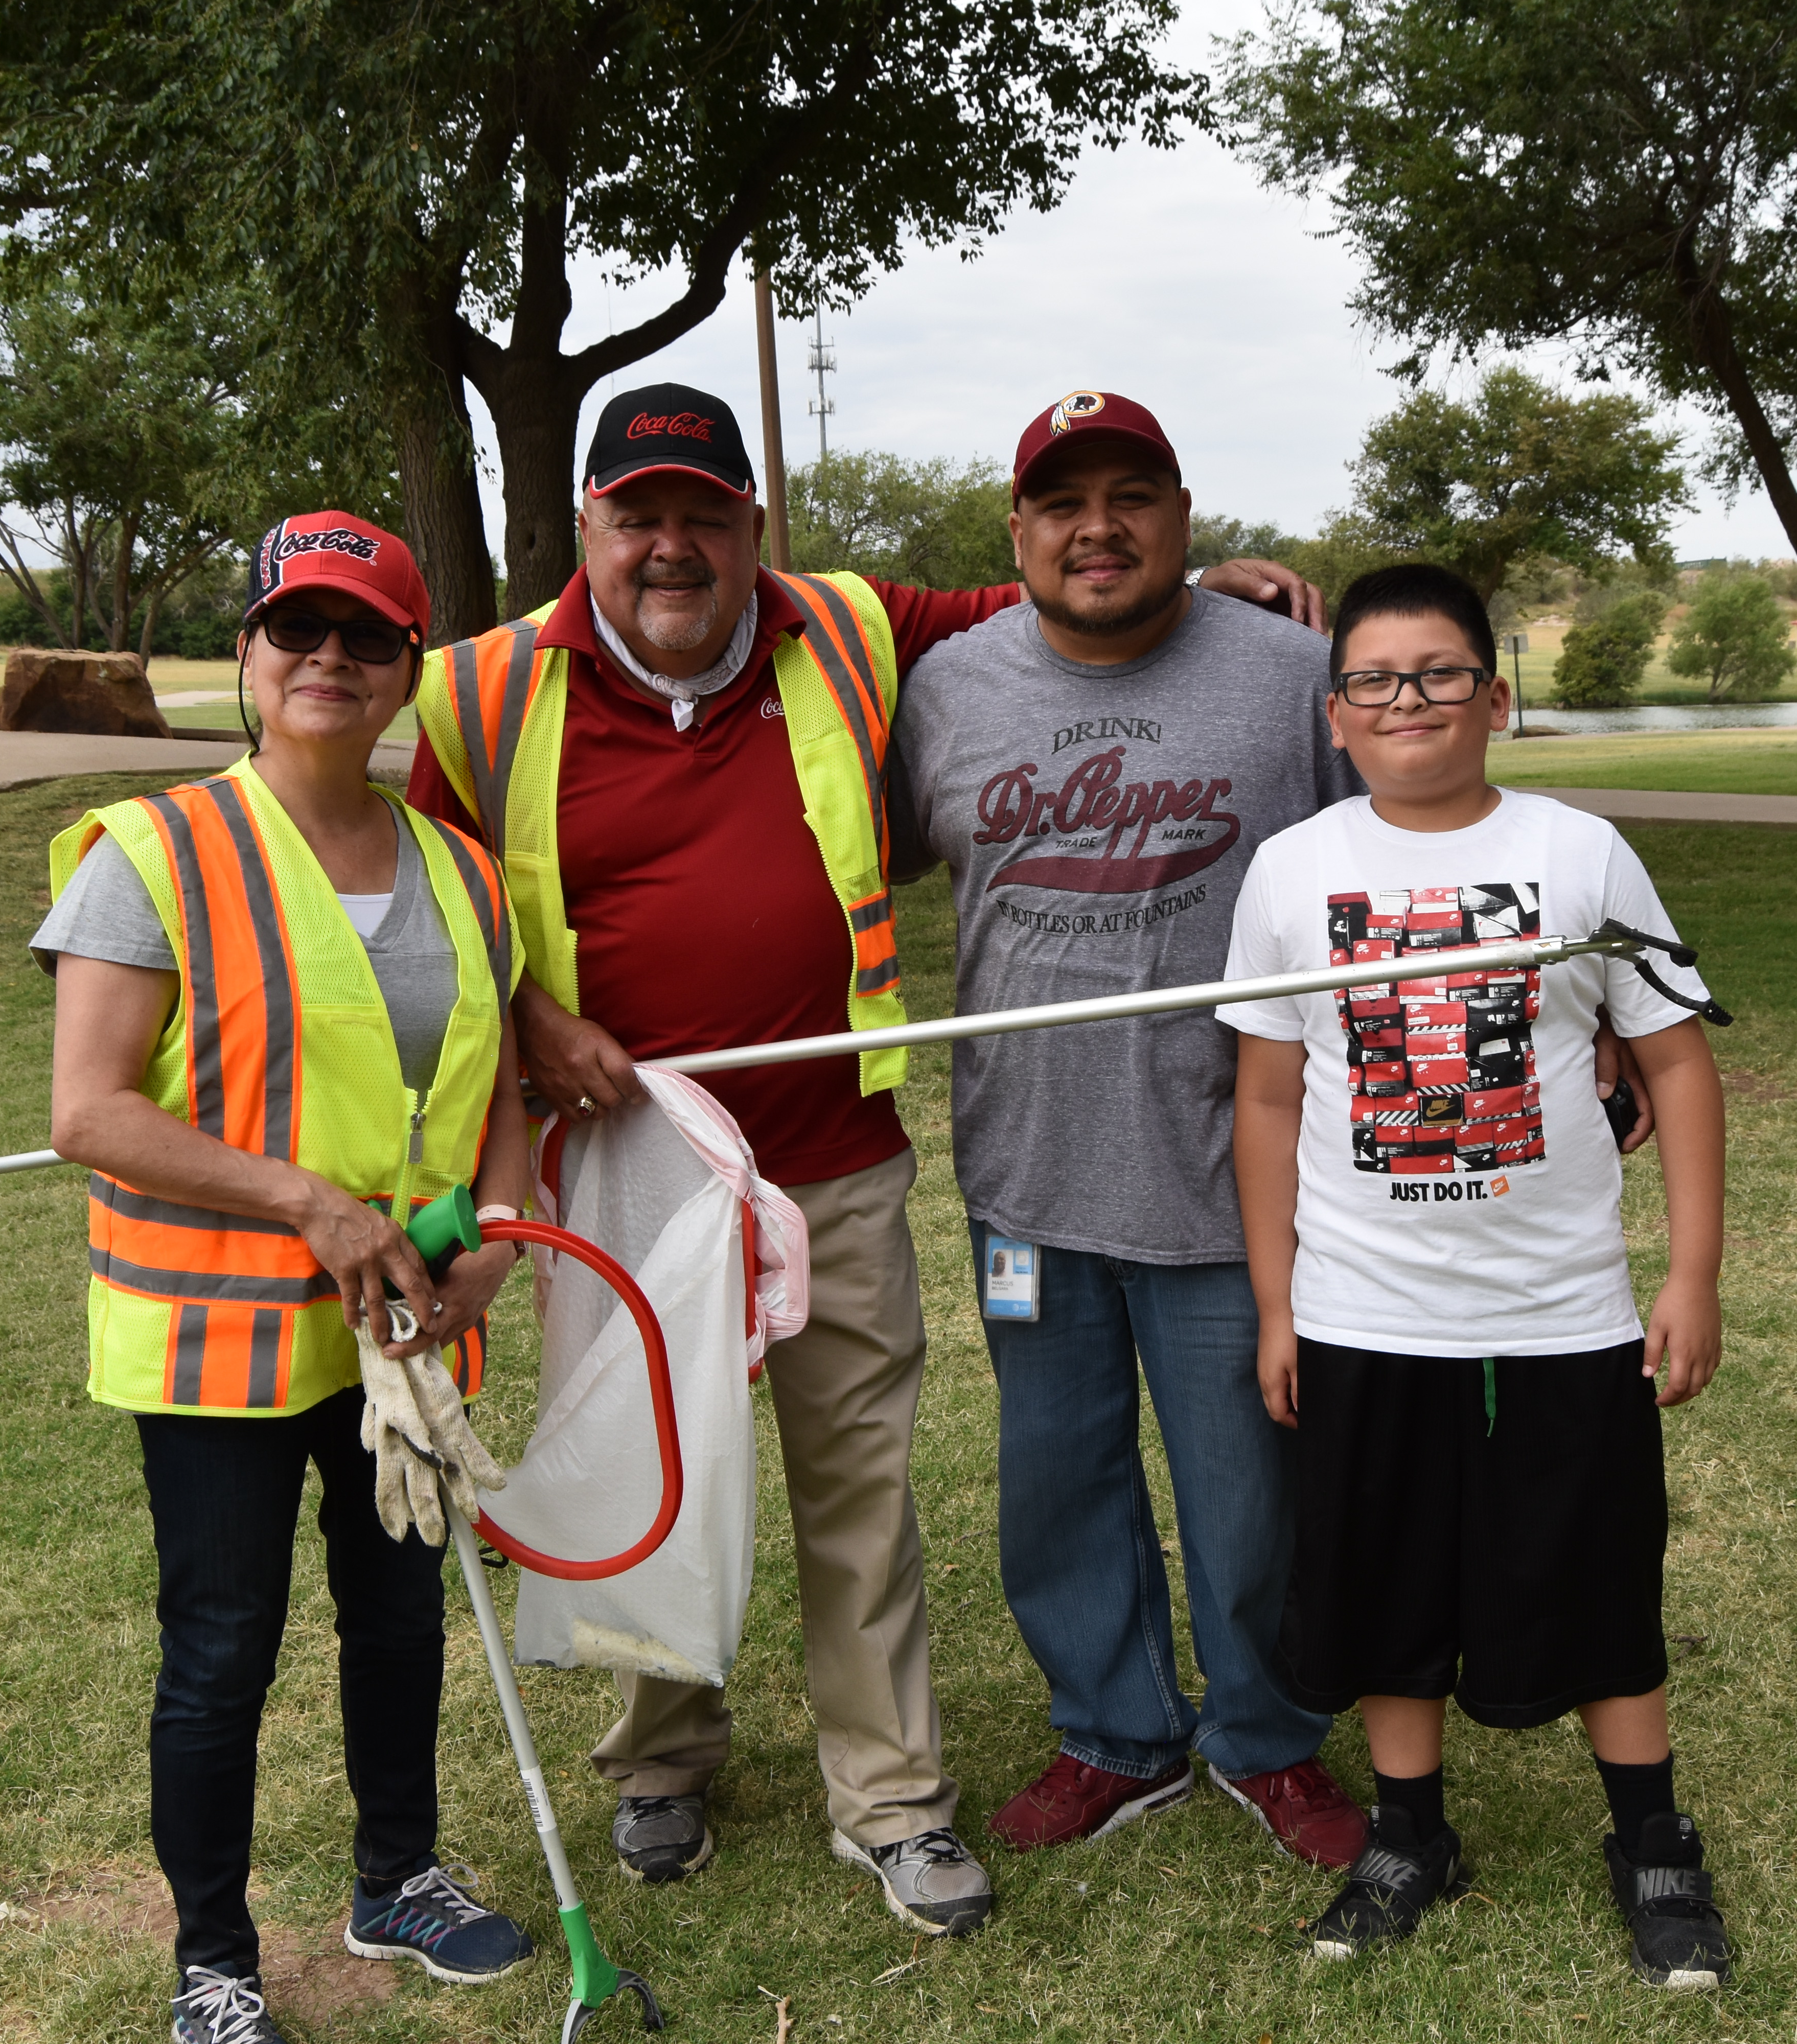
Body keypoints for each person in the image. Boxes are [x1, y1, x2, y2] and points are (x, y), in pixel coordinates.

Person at [400, 381, 1325, 1937]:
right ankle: (663, 1756)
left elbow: (1050, 593)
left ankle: (892, 1801)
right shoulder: (479, 691)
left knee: (861, 1495)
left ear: (751, 524)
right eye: (641, 517)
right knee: (647, 1465)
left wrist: (1211, 583)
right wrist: (533, 1014)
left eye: (706, 517)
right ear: (588, 526)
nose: (674, 548)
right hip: (620, 1165)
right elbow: (432, 905)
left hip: (832, 1156)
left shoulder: (840, 627)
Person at [38, 513, 539, 2044]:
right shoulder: (154, 854)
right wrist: (308, 1203)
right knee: (220, 1652)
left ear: (408, 670)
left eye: (367, 636)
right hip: (216, 1341)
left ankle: (399, 1879)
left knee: (400, 1616)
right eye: (297, 628)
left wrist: (495, 1236)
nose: (330, 658)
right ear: (249, 653)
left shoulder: (463, 870)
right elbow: (89, 1113)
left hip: (401, 1325)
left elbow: (500, 1089)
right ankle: (215, 1961)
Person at [1216, 563, 1733, 1986]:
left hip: (1562, 1311)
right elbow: (1266, 1098)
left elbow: (1679, 1065)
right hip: (1363, 1308)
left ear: (1494, 698)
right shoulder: (1293, 871)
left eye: (1440, 673)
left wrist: (1691, 1274)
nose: (1410, 702)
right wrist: (1278, 1302)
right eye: (1375, 680)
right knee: (1383, 1581)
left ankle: (1652, 1838)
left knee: (1598, 1571)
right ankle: (1410, 1835)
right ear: (1335, 714)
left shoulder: (1583, 854)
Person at [885, 389, 1379, 1871]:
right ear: (1018, 532)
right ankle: (1114, 1732)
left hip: (1232, 1169)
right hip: (1026, 1168)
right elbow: (854, 860)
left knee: (1250, 1488)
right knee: (1058, 1478)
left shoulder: (1294, 677)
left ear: (1182, 515)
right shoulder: (947, 689)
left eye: (1130, 497)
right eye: (1062, 503)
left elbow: (1407, 857)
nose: (1096, 529)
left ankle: (1269, 1735)